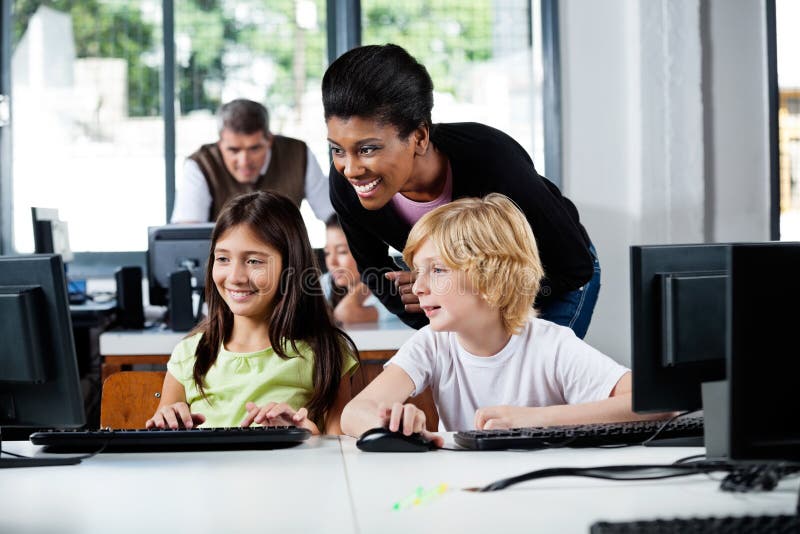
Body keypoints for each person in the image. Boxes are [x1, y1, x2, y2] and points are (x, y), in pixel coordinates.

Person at [322, 44, 600, 338]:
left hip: (556, 277)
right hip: (471, 297)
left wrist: (458, 291)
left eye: (367, 149)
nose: (350, 169)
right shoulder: (346, 186)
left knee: (527, 368)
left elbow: (573, 267)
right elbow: (373, 267)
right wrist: (426, 308)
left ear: (419, 137)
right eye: (337, 149)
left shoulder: (493, 161)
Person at [341, 195, 665, 445]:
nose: (418, 287)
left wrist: (535, 420)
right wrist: (395, 427)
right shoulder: (432, 344)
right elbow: (354, 413)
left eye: (437, 270)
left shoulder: (550, 345)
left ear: (491, 278)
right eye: (417, 271)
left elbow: (657, 402)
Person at [147, 191, 358, 433]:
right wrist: (167, 424)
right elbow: (163, 442)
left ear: (290, 267)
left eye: (254, 261)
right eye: (223, 259)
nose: (235, 277)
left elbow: (339, 449)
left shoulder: (327, 352)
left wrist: (305, 436)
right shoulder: (189, 354)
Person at [171, 98, 334, 223]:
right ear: (220, 144)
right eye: (233, 150)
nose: (244, 161)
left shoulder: (298, 154)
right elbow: (188, 233)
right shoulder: (199, 165)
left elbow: (332, 215)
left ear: (269, 140)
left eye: (254, 148)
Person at [322, 214, 394, 324]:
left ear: (365, 253)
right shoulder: (325, 282)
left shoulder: (390, 296)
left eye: (342, 252)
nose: (332, 263)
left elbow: (344, 313)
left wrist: (371, 280)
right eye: (327, 253)